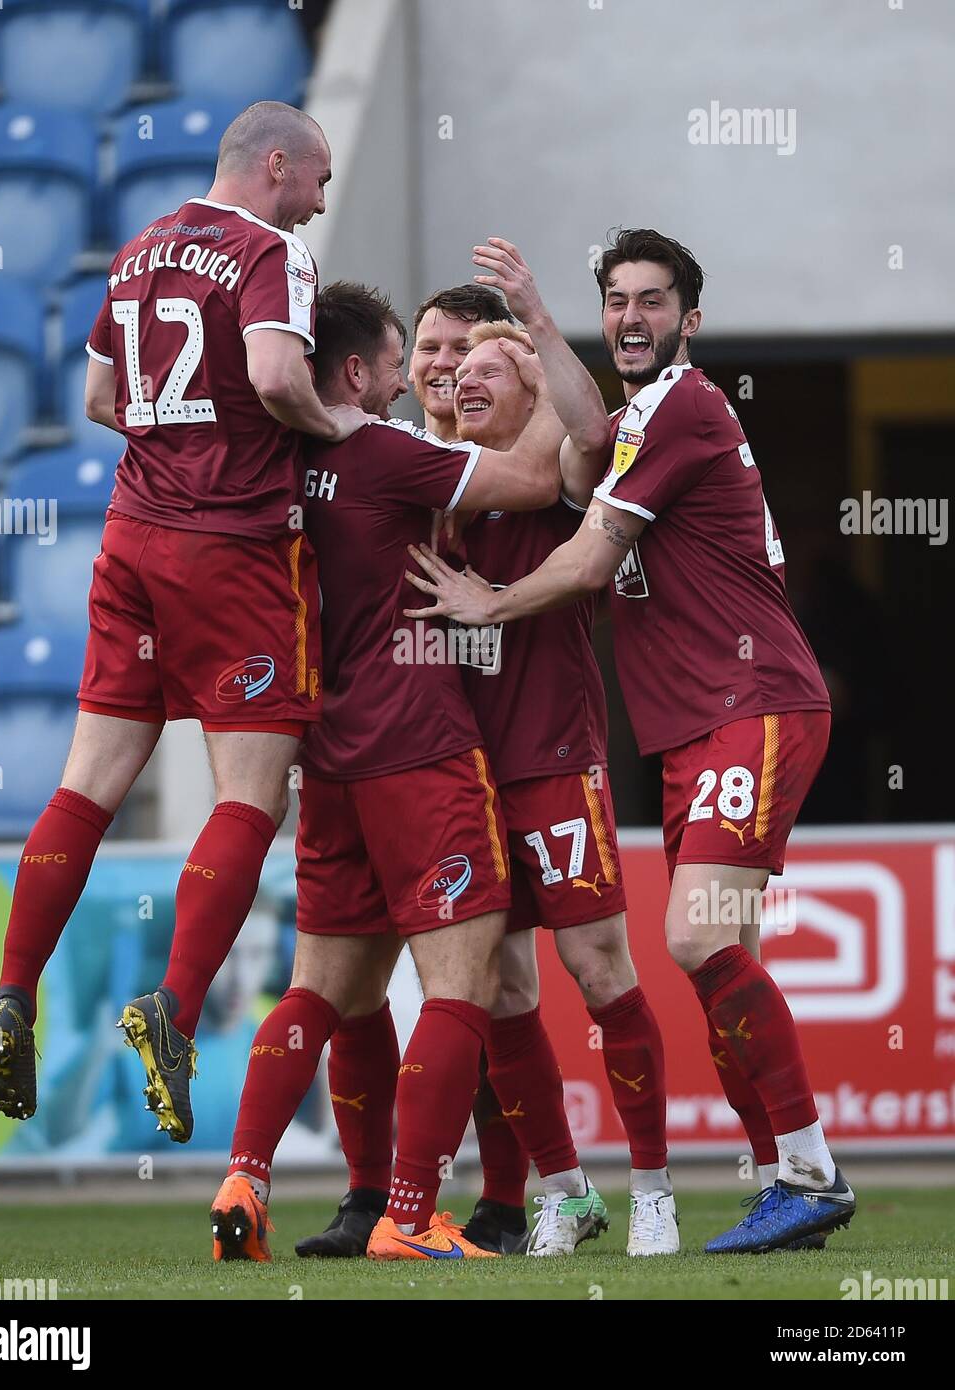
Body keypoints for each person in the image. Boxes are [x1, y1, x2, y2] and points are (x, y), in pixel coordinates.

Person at [405, 230, 856, 1254]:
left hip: (753, 704)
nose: (631, 319)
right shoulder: (636, 418)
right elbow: (583, 420)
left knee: (693, 938)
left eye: (651, 302)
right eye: (615, 302)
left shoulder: (686, 408)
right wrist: (531, 309)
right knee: (721, 953)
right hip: (692, 730)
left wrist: (490, 601)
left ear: (689, 319)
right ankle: (787, 1183)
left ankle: (808, 1169)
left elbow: (587, 556)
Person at [0, 101, 368, 1146]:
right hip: (232, 550)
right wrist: (337, 439)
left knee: (86, 782)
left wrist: (178, 435)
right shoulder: (272, 253)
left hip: (130, 539)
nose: (321, 200)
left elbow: (101, 396)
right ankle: (175, 1009)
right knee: (249, 796)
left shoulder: (138, 248)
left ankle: (14, 991)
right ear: (274, 165)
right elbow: (282, 377)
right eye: (317, 180)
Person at [302, 301, 675, 1260]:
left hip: (550, 757)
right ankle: (564, 1191)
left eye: (484, 368)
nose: (459, 378)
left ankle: (655, 1191)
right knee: (500, 991)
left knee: (598, 972)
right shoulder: (426, 478)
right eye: (444, 363)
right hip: (459, 776)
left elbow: (591, 430)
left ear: (530, 389)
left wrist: (539, 327)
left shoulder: (557, 475)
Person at [208, 280, 564, 1262]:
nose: (421, 380)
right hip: (419, 746)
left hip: (320, 759)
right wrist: (534, 369)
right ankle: (408, 1215)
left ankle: (244, 1176)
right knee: (463, 983)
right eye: (406, 359)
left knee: (317, 986)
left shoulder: (273, 461)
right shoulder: (381, 452)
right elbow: (536, 480)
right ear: (360, 370)